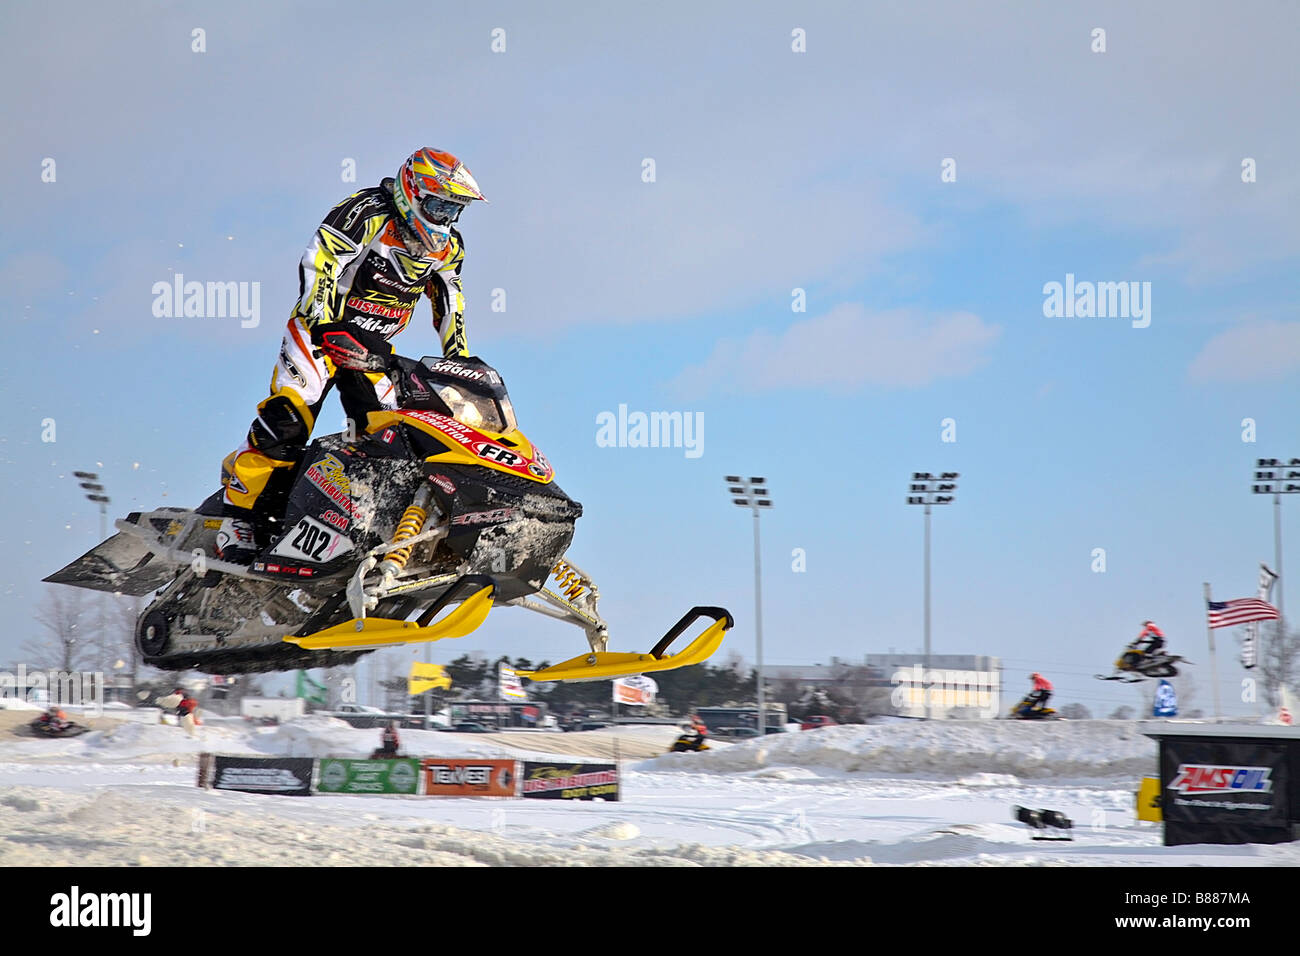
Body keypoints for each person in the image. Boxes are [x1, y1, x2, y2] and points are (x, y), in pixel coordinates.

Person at [212, 148, 488, 562]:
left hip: (375, 351)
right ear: (413, 192)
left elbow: (450, 298)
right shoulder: (367, 213)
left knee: (390, 438)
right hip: (323, 331)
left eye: (454, 209)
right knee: (289, 417)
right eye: (439, 204)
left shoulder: (449, 247)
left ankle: (358, 525)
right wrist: (321, 321)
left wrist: (460, 357)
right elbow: (319, 261)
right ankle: (238, 518)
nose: (445, 216)